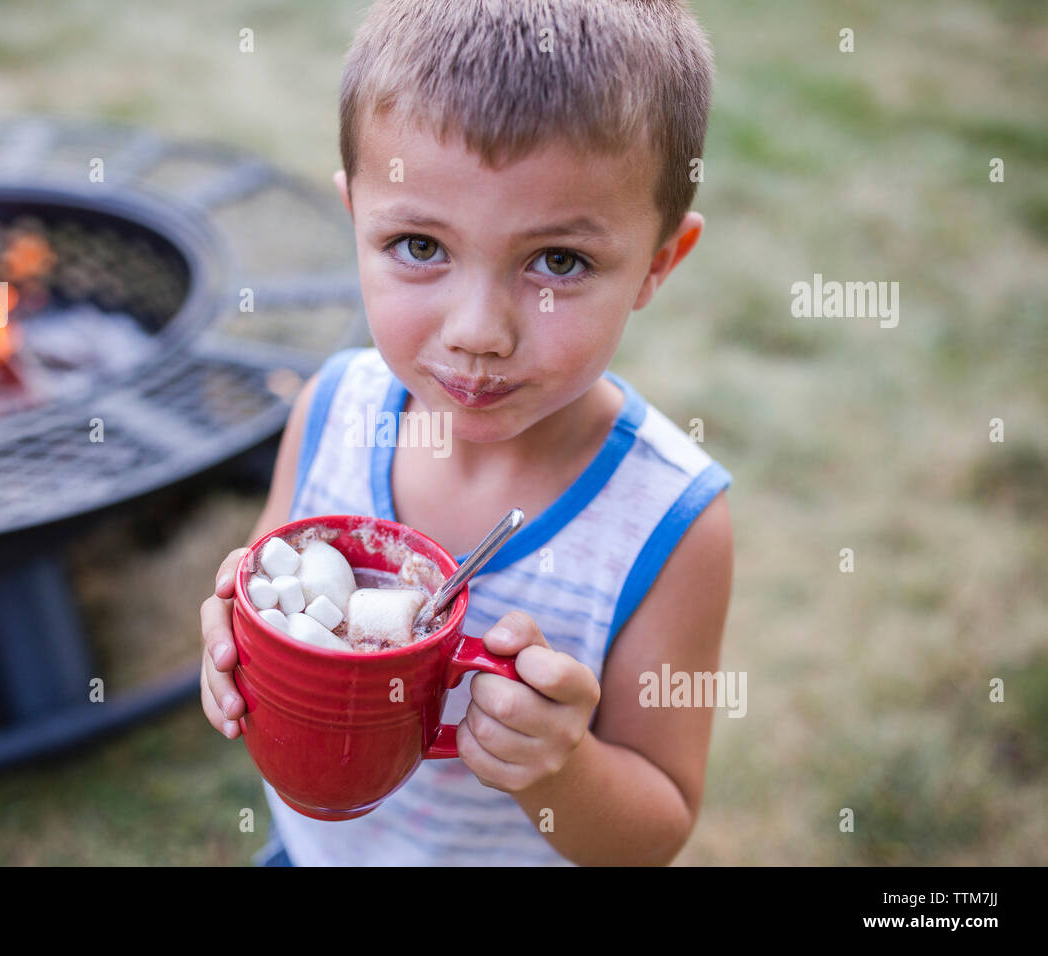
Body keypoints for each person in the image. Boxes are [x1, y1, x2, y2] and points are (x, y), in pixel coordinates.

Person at [199, 0, 733, 865]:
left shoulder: (669, 525)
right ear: (355, 219)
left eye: (559, 262)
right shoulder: (333, 410)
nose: (478, 329)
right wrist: (229, 642)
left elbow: (655, 829)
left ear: (658, 265)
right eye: (417, 244)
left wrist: (556, 770)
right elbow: (264, 588)